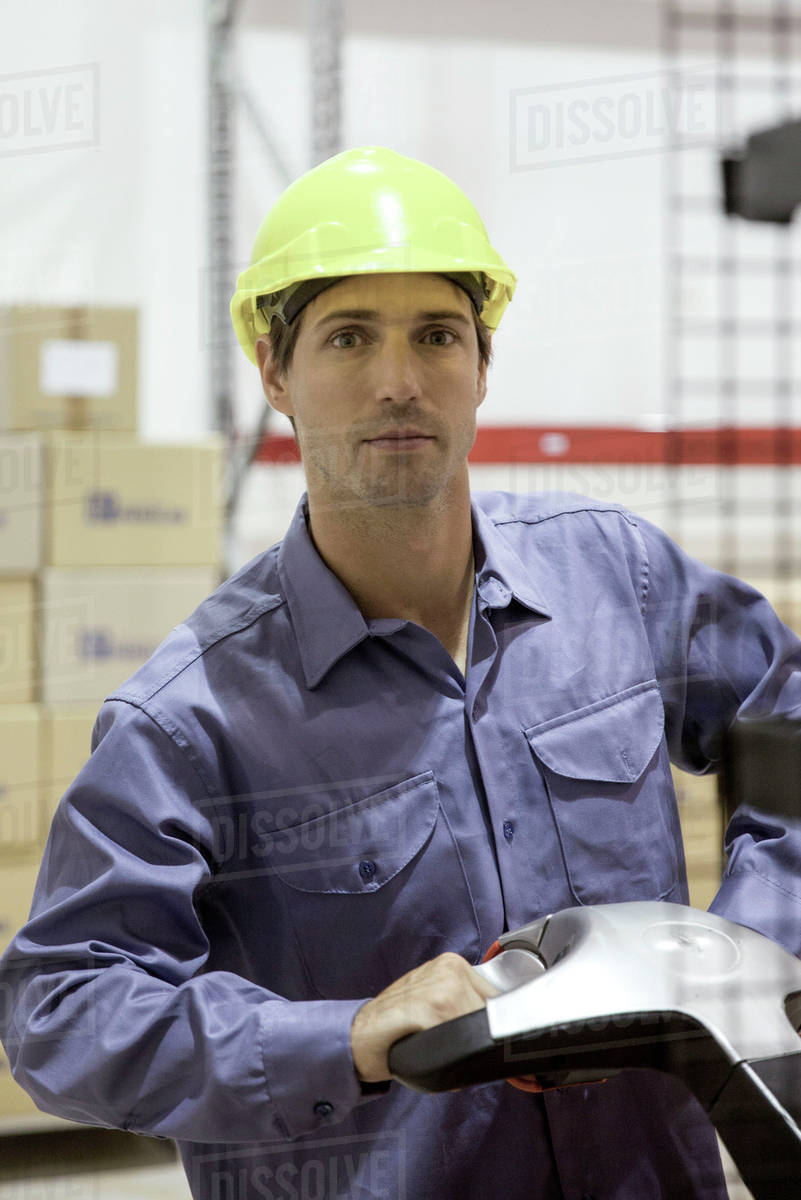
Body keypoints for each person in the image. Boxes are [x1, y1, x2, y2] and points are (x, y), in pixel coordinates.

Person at [2, 145, 800, 1200]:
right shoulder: (190, 716)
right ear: (274, 373)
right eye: (348, 339)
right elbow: (60, 1012)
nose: (399, 382)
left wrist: (741, 951)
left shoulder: (622, 578)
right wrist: (349, 1038)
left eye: (437, 335)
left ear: (482, 367)